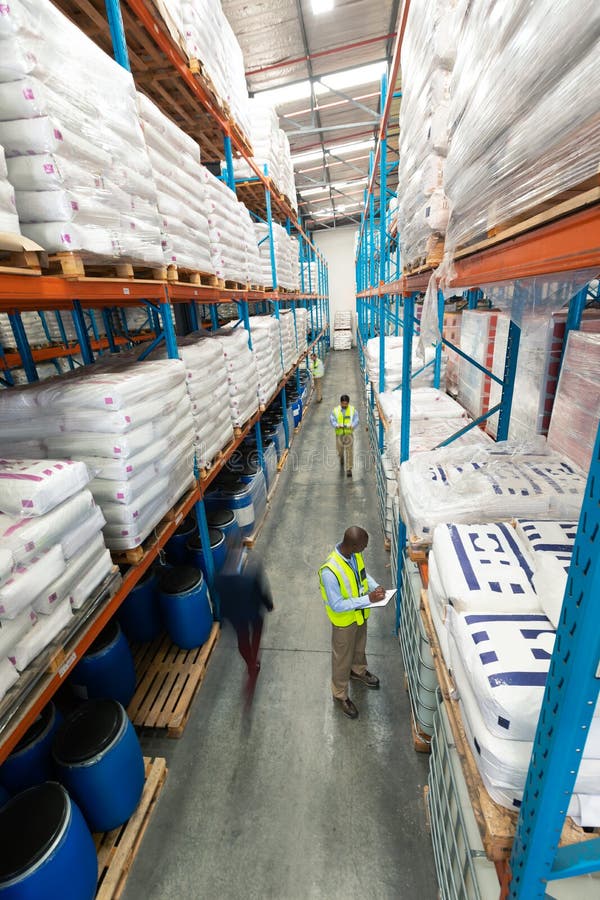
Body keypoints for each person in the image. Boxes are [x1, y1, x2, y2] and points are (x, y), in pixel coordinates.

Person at [318, 526, 385, 719]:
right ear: (353, 545)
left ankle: (357, 670)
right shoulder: (330, 571)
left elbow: (362, 576)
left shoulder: (354, 555)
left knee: (359, 647)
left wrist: (375, 587)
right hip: (344, 622)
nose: (365, 548)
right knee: (342, 659)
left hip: (359, 615)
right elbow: (337, 604)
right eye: (363, 545)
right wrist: (368, 600)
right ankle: (340, 693)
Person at [214, 560, 274, 701]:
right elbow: (261, 593)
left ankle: (251, 664)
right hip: (252, 612)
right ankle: (254, 664)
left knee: (242, 638)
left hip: (235, 616)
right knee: (257, 629)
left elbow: (221, 597)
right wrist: (269, 604)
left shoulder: (219, 580)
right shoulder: (251, 577)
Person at [330, 394, 358, 477]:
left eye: (346, 404)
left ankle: (349, 469)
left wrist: (352, 425)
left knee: (349, 451)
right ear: (341, 403)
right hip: (339, 434)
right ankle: (341, 457)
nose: (344, 405)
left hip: (348, 434)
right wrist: (336, 425)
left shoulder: (353, 410)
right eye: (343, 403)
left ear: (348, 403)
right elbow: (332, 419)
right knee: (340, 449)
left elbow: (356, 419)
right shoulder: (335, 410)